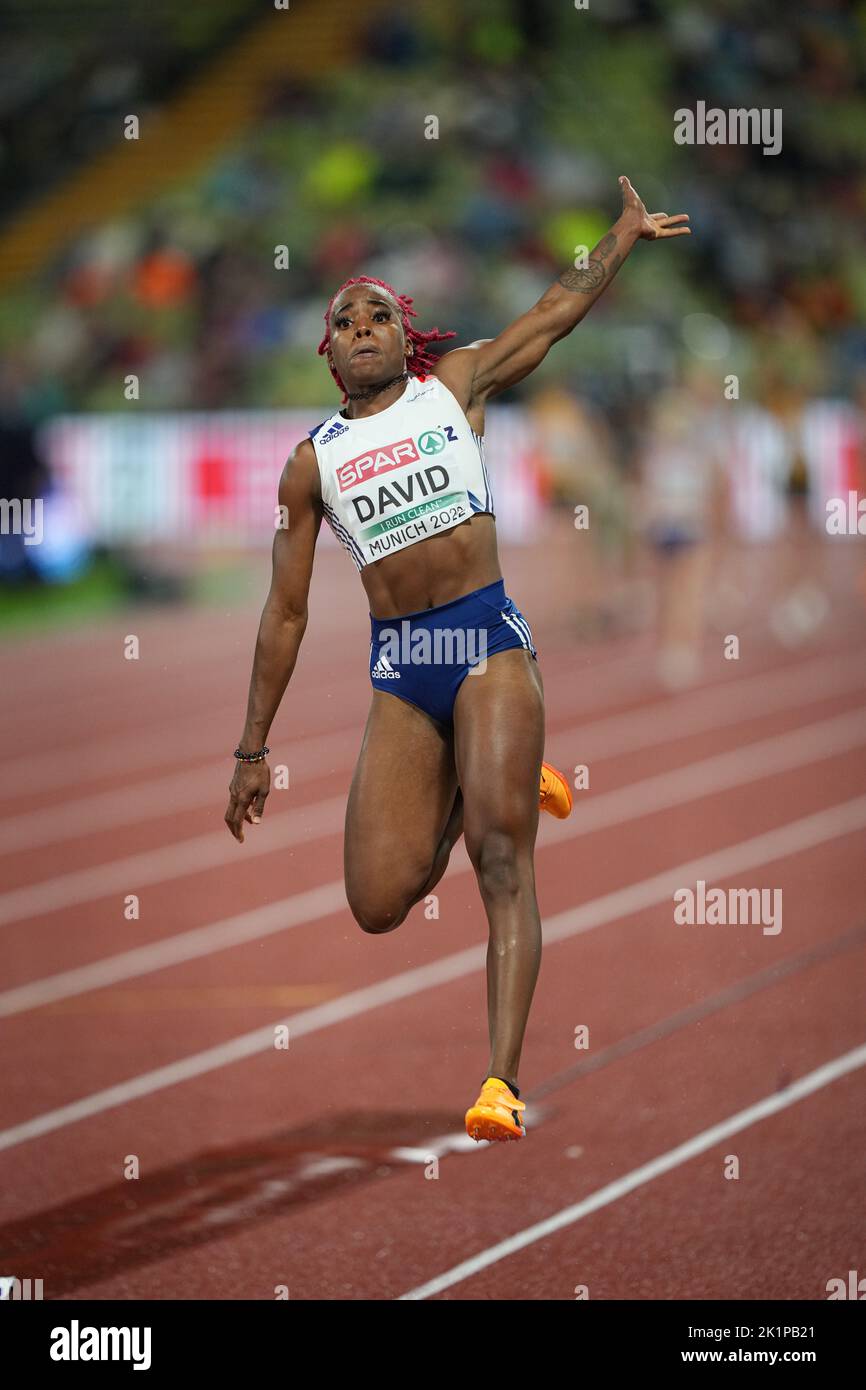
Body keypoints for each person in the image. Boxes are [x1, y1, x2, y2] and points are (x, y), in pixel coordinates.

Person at [225, 176, 690, 1141]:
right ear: (329, 353)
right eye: (345, 319)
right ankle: (497, 780)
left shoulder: (457, 387)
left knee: (501, 859)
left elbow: (556, 311)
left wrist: (621, 235)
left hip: (483, 642)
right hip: (403, 667)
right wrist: (250, 748)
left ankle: (499, 1083)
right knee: (377, 902)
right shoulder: (310, 463)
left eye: (379, 315)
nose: (362, 326)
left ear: (407, 335)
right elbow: (283, 611)